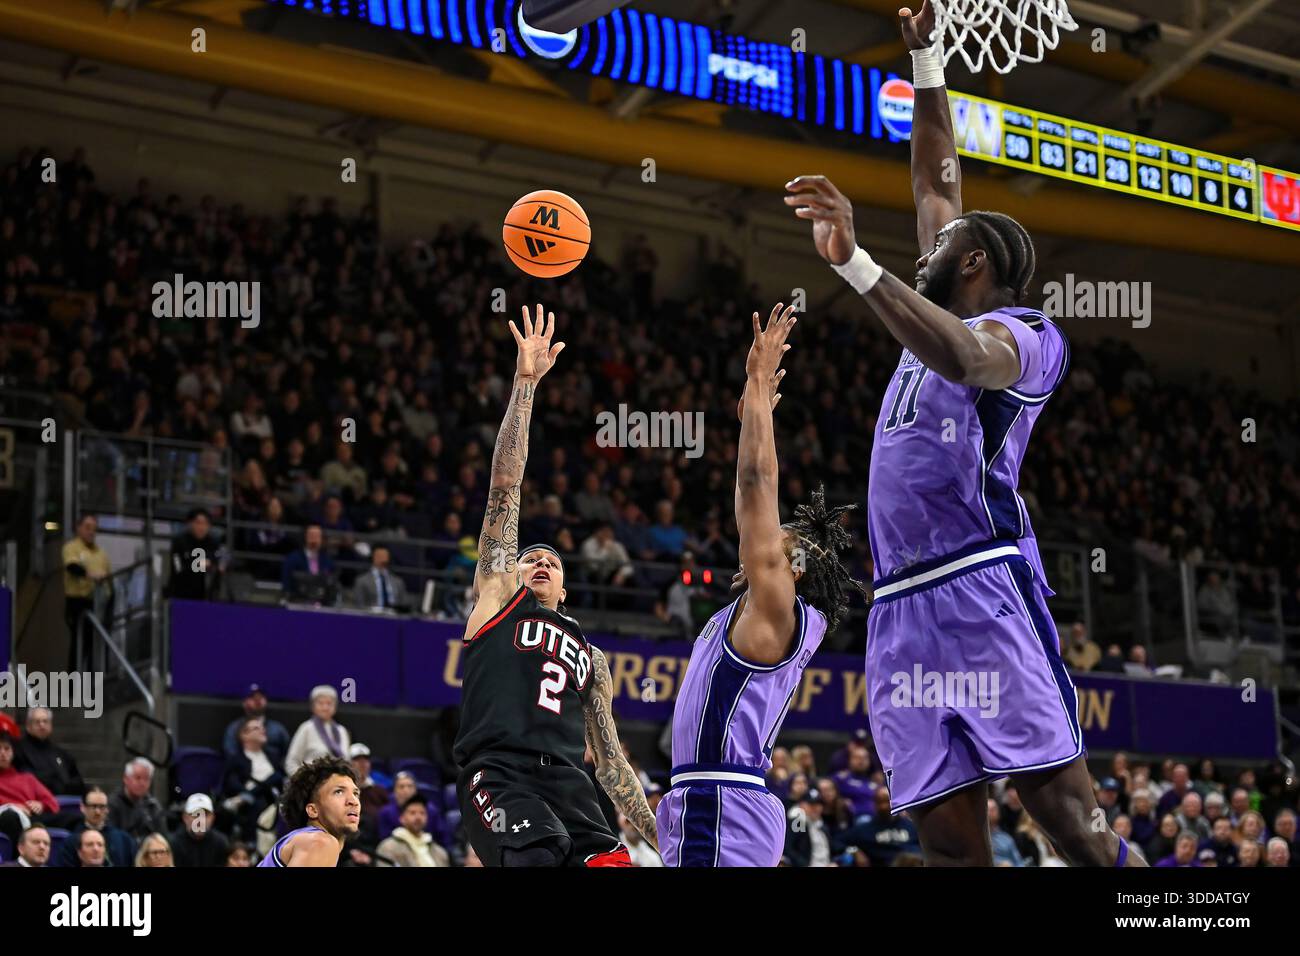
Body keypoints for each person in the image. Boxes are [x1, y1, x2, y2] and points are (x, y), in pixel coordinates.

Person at [783, 2, 1141, 868]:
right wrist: (928, 57)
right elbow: (936, 179)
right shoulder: (938, 292)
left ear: (973, 262)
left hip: (981, 588)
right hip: (899, 606)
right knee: (949, 850)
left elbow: (965, 360)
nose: (926, 234)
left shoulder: (1027, 335)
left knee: (1077, 835)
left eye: (941, 241)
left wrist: (854, 266)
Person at [658, 308, 863, 867]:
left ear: (791, 566)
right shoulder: (752, 612)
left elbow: (754, 482)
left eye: (777, 537)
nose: (762, 534)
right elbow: (746, 489)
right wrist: (755, 415)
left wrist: (755, 379)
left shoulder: (775, 608)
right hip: (714, 800)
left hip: (720, 801)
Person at [454, 305, 653, 867]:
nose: (539, 561)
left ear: (564, 588)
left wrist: (665, 838)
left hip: (572, 788)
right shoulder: (498, 598)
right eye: (529, 557)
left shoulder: (591, 657)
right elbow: (505, 482)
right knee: (541, 855)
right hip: (500, 772)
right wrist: (525, 386)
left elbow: (611, 764)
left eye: (552, 561)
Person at [257, 755, 361, 867]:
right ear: (313, 810)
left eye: (355, 793)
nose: (353, 801)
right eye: (339, 792)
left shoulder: (301, 840)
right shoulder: (320, 842)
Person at [221, 717, 285, 840]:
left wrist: (250, 794)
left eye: (263, 728)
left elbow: (279, 778)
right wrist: (246, 796)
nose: (262, 730)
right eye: (256, 728)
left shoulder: (273, 756)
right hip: (251, 806)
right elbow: (231, 784)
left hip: (273, 799)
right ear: (244, 735)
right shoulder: (236, 759)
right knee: (254, 803)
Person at [63, 514, 112, 670]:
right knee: (79, 644)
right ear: (79, 528)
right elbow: (72, 567)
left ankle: (92, 687)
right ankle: (71, 687)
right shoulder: (72, 547)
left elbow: (109, 580)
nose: (91, 532)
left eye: (94, 529)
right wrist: (90, 575)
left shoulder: (101, 553)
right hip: (77, 602)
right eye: (87, 527)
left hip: (97, 602)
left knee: (95, 645)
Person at [834, 786, 921, 867]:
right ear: (874, 804)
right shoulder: (864, 830)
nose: (883, 806)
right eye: (879, 802)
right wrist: (854, 850)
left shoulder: (912, 827)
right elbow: (835, 842)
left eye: (886, 801)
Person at [13, 707, 86, 801]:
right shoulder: (18, 749)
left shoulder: (61, 753)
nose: (42, 725)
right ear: (28, 726)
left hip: (64, 800)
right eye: (37, 722)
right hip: (36, 801)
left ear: (51, 725)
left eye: (45, 721)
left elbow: (77, 780)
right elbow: (26, 777)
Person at [55, 786, 136, 868]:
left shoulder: (124, 840)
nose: (97, 811)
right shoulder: (70, 842)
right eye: (93, 806)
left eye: (102, 807)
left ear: (107, 809)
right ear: (82, 808)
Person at [0, 732, 57, 845]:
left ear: (13, 752)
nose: (2, 753)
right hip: (6, 819)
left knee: (75, 818)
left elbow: (52, 803)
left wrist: (41, 805)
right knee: (10, 816)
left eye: (7, 749)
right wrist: (11, 806)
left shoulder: (27, 778)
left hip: (31, 819)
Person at [285, 685, 351, 774]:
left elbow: (347, 761)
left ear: (335, 707)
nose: (325, 707)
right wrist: (302, 782)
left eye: (329, 703)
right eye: (320, 703)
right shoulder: (306, 728)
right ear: (313, 706)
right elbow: (291, 762)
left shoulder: (342, 731)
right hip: (311, 782)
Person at [221, 684, 290, 767]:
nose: (258, 700)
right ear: (244, 702)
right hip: (244, 773)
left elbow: (288, 755)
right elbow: (230, 754)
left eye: (261, 697)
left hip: (274, 773)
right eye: (252, 697)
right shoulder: (234, 728)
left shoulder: (278, 729)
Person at [374, 796, 450, 867]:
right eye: (412, 813)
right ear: (402, 818)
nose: (418, 817)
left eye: (422, 813)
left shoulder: (440, 852)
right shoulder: (388, 847)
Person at [167, 507, 220, 600]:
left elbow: (220, 558)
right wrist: (198, 565)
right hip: (181, 593)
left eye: (205, 524)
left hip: (205, 595)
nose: (202, 527)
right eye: (198, 523)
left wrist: (215, 564)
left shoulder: (213, 542)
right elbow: (177, 568)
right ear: (190, 523)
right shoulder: (179, 542)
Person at [108, 757, 166, 840]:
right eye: (138, 778)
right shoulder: (113, 804)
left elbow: (163, 837)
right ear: (126, 779)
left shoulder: (153, 806)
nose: (142, 783)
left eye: (146, 779)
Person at [167, 794, 230, 867]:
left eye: (205, 815)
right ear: (185, 817)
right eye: (196, 814)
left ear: (212, 818)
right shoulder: (173, 843)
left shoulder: (221, 843)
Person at [281, 524, 337, 601]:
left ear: (322, 539)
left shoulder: (327, 560)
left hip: (322, 602)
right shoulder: (293, 558)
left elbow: (331, 582)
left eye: (317, 536)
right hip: (298, 601)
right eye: (311, 535)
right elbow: (286, 583)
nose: (314, 539)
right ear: (305, 537)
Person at [783, 785, 832, 867]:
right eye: (811, 805)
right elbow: (788, 849)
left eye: (818, 804)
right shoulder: (798, 820)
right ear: (802, 805)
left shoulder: (821, 824)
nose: (816, 808)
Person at [352, 545, 408, 611]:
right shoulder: (362, 581)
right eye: (379, 556)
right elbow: (359, 606)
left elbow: (403, 605)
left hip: (393, 616)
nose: (382, 559)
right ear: (373, 557)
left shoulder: (398, 582)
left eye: (384, 556)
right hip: (372, 616)